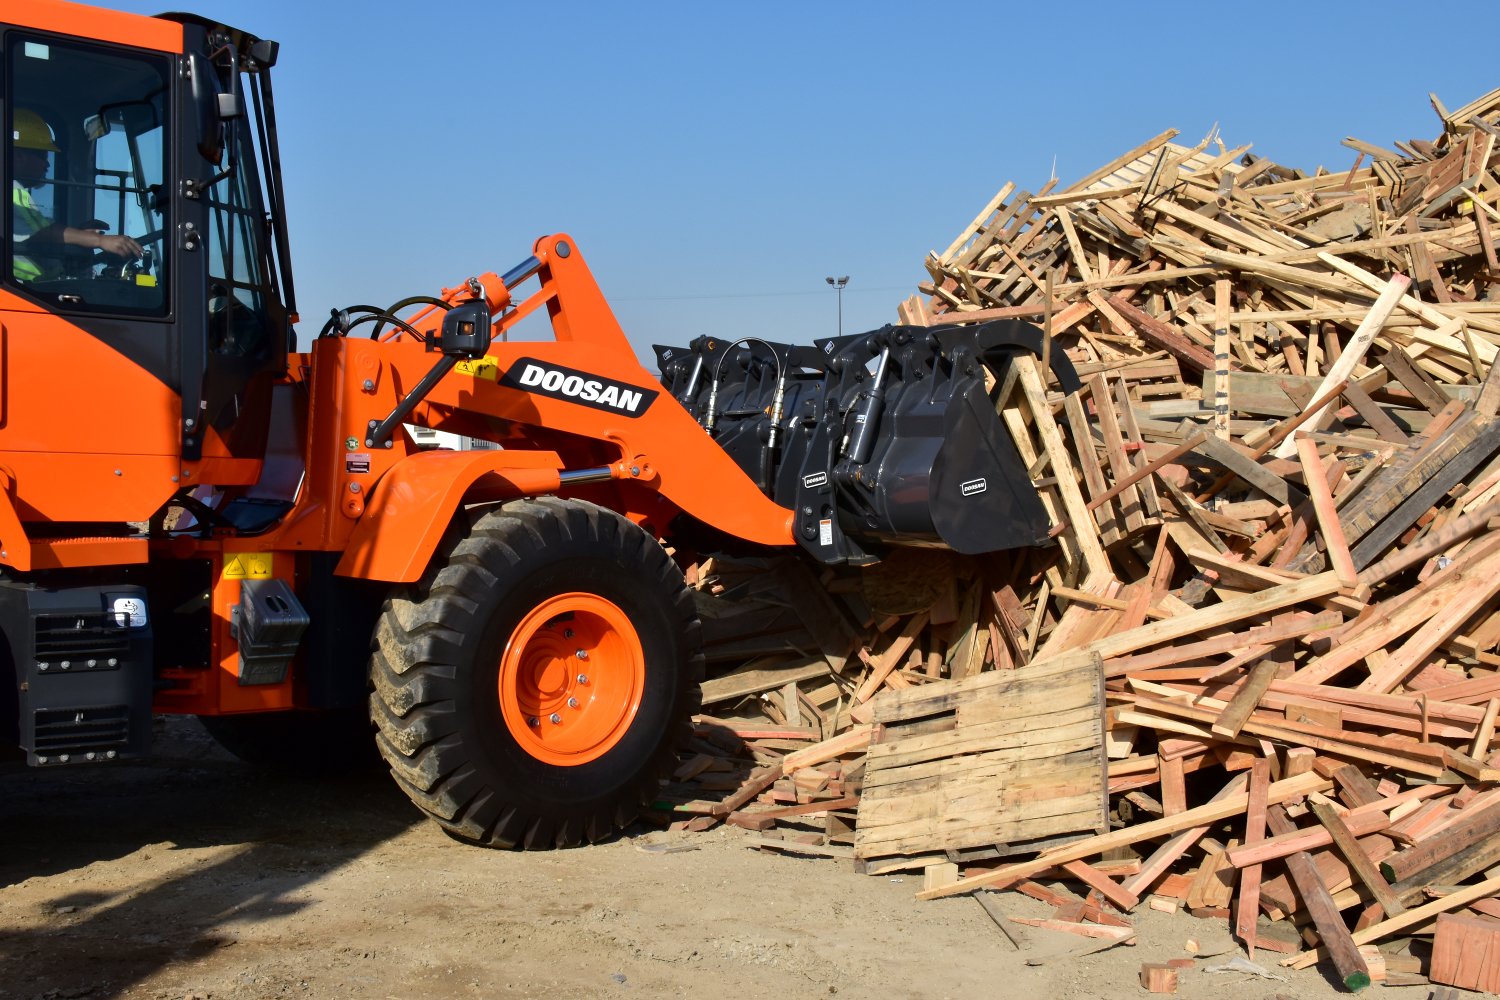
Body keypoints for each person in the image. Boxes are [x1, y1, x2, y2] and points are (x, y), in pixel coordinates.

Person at [12, 107, 142, 280]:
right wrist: (100, 241)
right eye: (43, 156)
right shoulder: (11, 191)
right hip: (22, 289)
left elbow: (37, 237)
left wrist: (80, 235)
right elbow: (43, 232)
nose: (47, 165)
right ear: (18, 155)